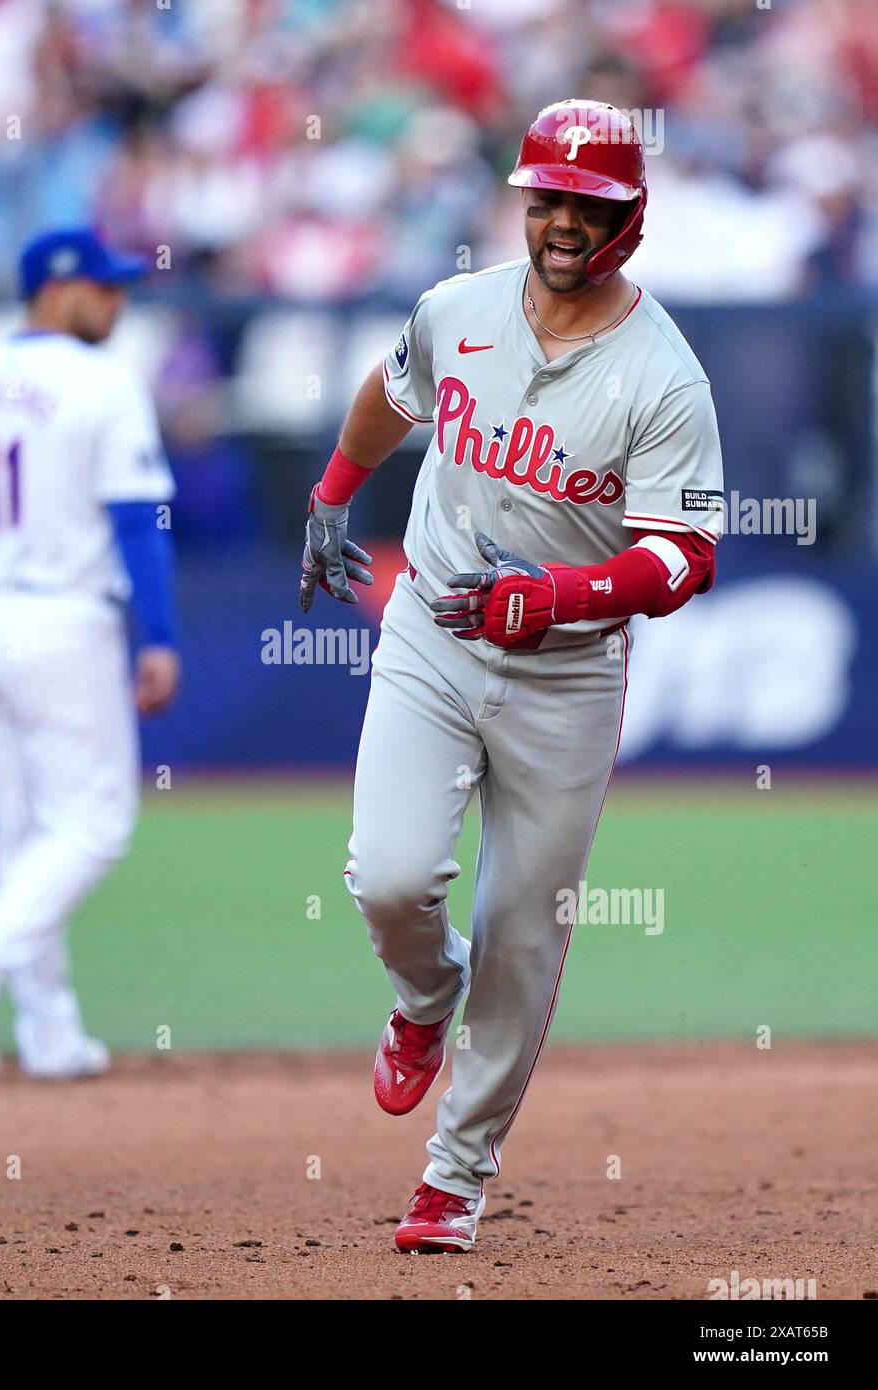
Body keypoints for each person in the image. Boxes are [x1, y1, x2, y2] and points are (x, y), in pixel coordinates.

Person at [300, 101, 723, 1251]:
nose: (559, 220)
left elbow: (684, 554)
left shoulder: (664, 376)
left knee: (523, 930)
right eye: (544, 197)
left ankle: (455, 1175)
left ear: (628, 220)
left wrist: (561, 598)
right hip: (433, 634)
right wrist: (333, 492)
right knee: (388, 877)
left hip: (565, 677)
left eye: (586, 204)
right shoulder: (457, 309)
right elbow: (391, 399)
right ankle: (423, 997)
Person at [0, 227, 179, 1079]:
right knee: (94, 825)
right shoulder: (104, 383)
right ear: (57, 291)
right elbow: (139, 523)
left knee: (21, 833)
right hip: (63, 621)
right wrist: (159, 636)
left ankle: (50, 1033)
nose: (118, 301)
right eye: (105, 287)